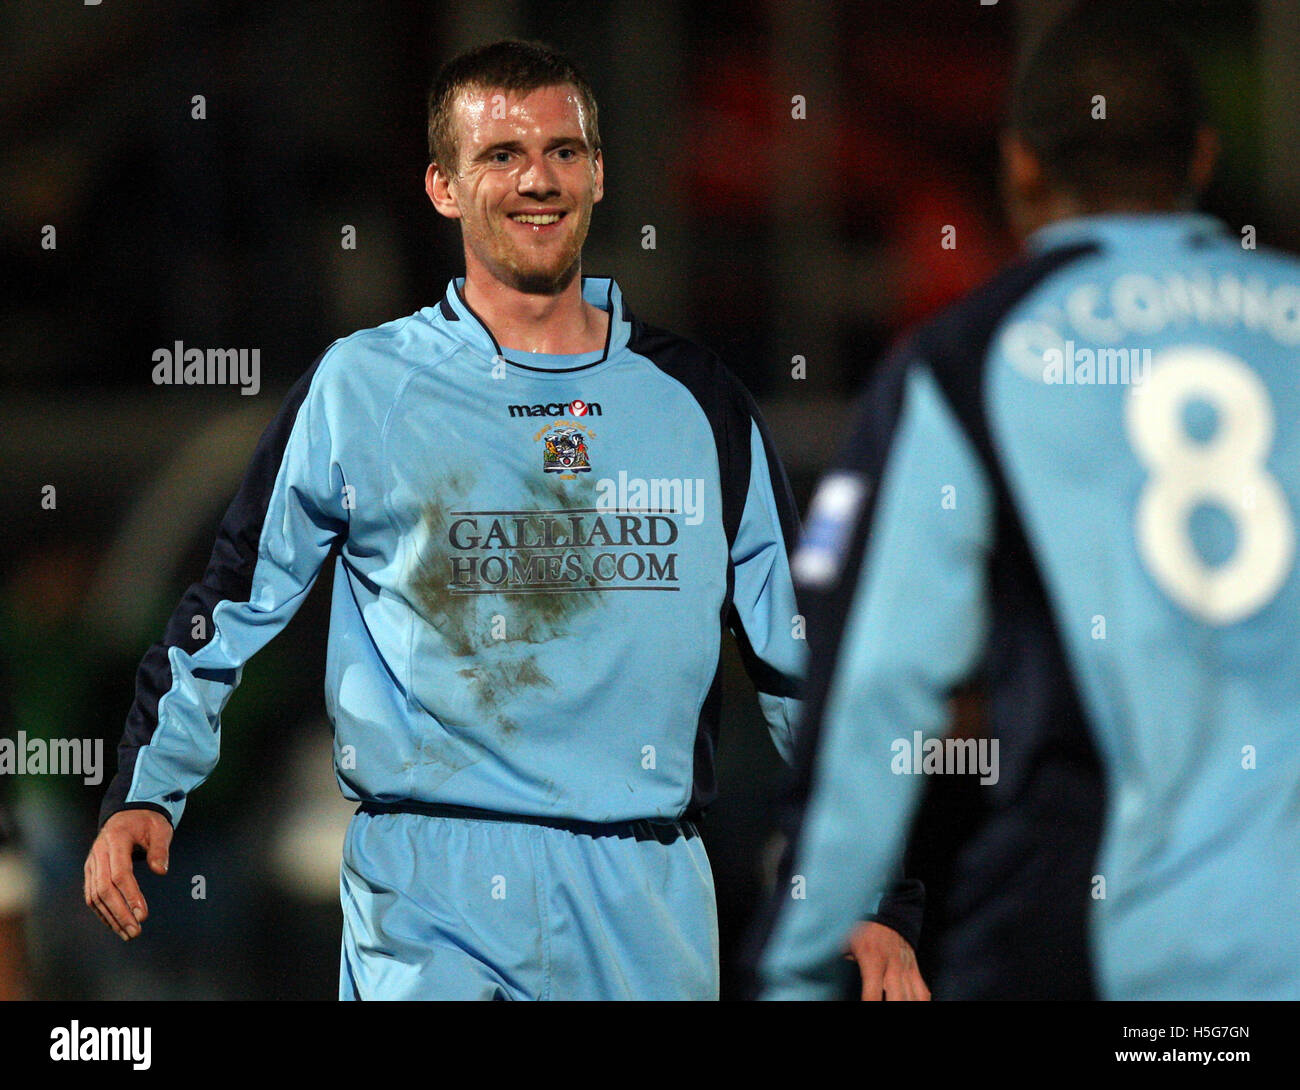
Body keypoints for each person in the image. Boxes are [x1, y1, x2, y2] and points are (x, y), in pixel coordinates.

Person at [84, 39, 925, 1000]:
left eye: (564, 151)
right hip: (427, 885)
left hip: (644, 889)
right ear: (443, 187)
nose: (539, 179)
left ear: (600, 174)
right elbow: (232, 599)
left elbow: (799, 662)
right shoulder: (364, 388)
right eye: (501, 155)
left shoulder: (698, 403)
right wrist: (147, 789)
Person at [753, 2, 1300, 1000]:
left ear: (1020, 167)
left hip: (1100, 943)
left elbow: (876, 686)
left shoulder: (969, 358)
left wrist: (800, 958)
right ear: (1204, 156)